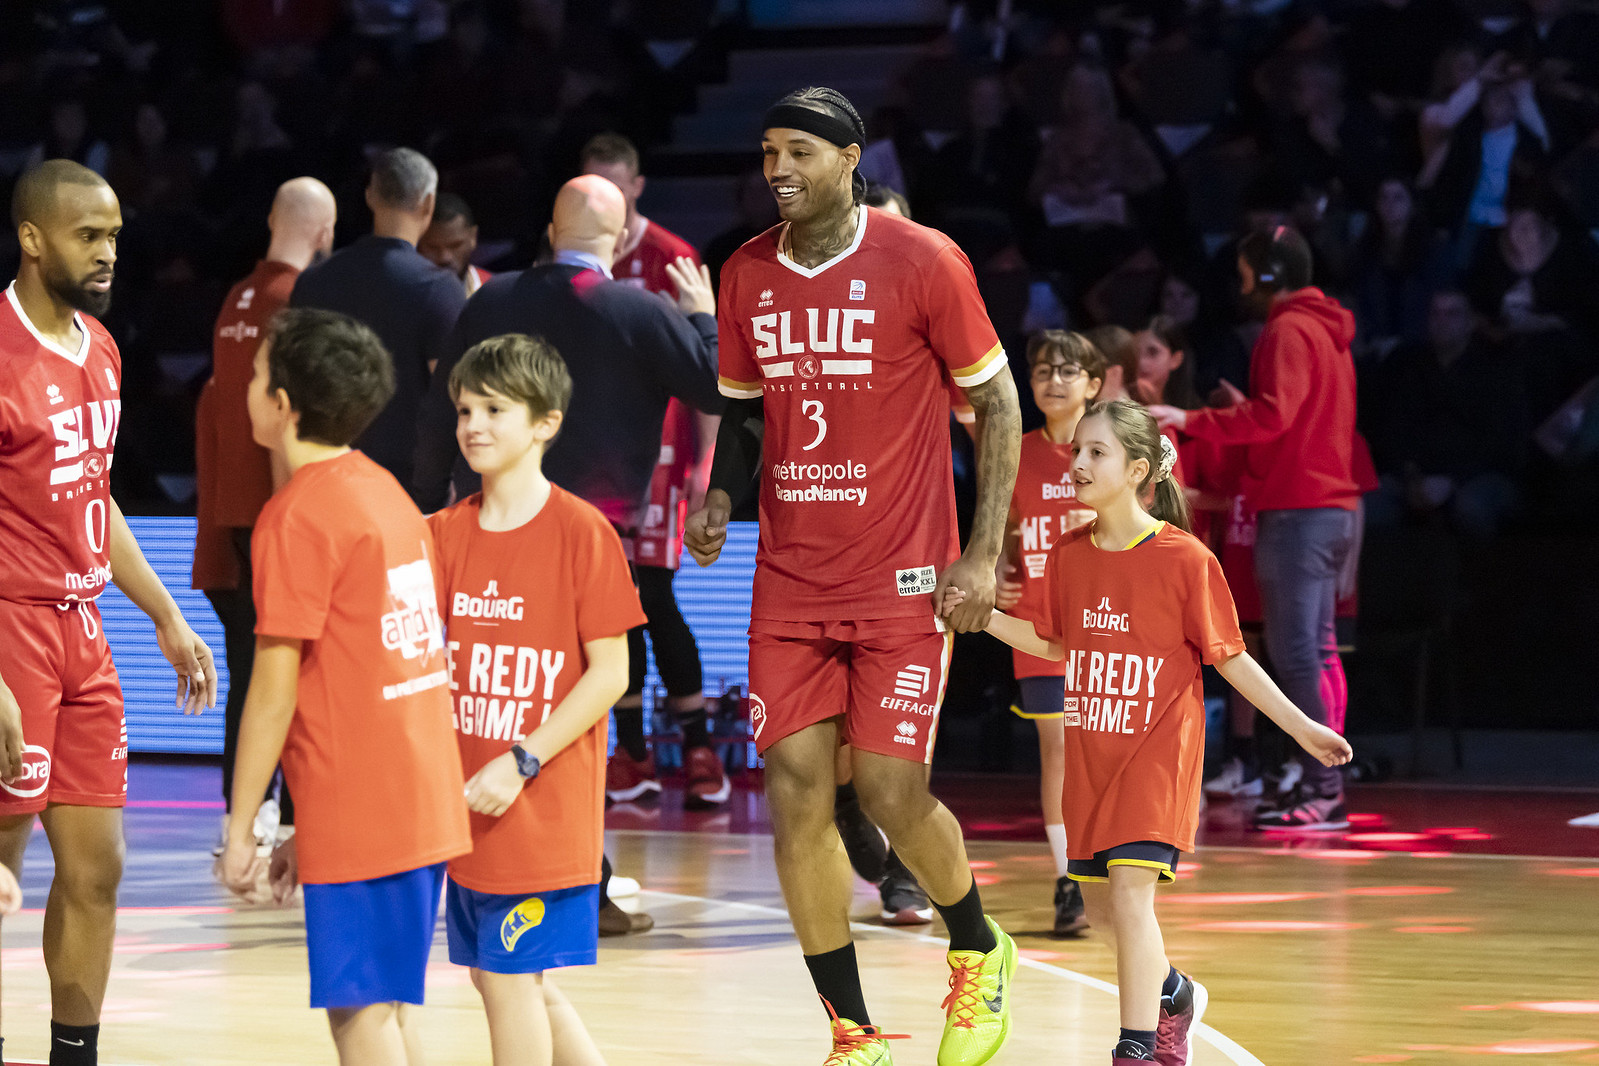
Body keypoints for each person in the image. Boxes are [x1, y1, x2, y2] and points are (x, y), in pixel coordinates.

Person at [684, 86, 1024, 1066]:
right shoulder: (745, 273)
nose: (776, 170)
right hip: (790, 579)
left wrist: (984, 553)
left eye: (796, 151)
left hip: (903, 575)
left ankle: (977, 946)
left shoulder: (923, 259)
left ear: (848, 157)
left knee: (887, 789)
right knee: (794, 793)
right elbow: (745, 411)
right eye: (765, 152)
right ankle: (852, 1030)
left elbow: (997, 404)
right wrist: (718, 497)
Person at [957, 398, 1352, 1066]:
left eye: (1095, 452)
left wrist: (1302, 726)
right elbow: (1052, 645)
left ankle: (1135, 1049)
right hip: (1092, 756)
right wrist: (982, 615)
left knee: (1131, 898)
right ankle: (1173, 995)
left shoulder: (1184, 559)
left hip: (1155, 756)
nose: (1077, 462)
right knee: (1104, 911)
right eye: (1076, 450)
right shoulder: (1069, 554)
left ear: (1137, 468)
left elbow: (1230, 656)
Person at [413, 173, 723, 937]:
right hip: (592, 535)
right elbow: (719, 387)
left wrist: (426, 499)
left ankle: (555, 876)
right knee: (577, 698)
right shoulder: (638, 306)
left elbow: (435, 403)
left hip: (481, 527)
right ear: (619, 242)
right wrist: (707, 319)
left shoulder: (491, 299)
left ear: (550, 231)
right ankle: (570, 879)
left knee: (494, 701)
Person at [0, 159, 217, 1066]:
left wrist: (165, 613)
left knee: (99, 869)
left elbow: (96, 492)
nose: (109, 253)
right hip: (8, 628)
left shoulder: (103, 347)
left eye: (116, 237)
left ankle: (72, 1055)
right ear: (32, 237)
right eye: (90, 236)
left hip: (83, 632)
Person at [218, 308, 471, 1065]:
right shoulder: (382, 491)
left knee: (358, 1016)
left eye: (259, 375)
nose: (250, 387)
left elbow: (273, 686)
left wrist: (241, 829)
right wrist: (308, 826)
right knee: (386, 1006)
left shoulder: (295, 516)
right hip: (414, 793)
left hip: (368, 806)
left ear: (284, 405)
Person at [429, 334, 641, 1066]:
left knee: (512, 980)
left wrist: (520, 760)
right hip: (462, 816)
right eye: (463, 409)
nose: (473, 425)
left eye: (494, 408)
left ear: (546, 422)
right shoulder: (440, 535)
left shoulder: (583, 533)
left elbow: (610, 673)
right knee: (501, 978)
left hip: (538, 808)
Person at [1151, 225, 1360, 832]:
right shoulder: (1327, 327)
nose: (1239, 283)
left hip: (1298, 510)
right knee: (1316, 652)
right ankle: (1328, 783)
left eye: (1245, 271)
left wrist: (1193, 417)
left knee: (1297, 656)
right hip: (1327, 509)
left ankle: (1323, 791)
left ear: (1266, 273)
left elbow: (1273, 417)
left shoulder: (1289, 328)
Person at [580, 132, 730, 812]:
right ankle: (632, 751)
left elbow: (709, 374)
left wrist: (704, 471)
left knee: (655, 596)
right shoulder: (575, 258)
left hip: (663, 462)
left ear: (636, 188)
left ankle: (700, 749)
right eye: (593, 187)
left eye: (614, 186)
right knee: (613, 608)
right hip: (594, 460)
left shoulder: (671, 258)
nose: (604, 199)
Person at [195, 176, 336, 854]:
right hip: (277, 514)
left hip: (233, 514)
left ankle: (248, 814)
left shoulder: (236, 299)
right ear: (325, 233)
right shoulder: (297, 298)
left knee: (251, 666)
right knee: (281, 670)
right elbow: (283, 420)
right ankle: (277, 817)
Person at [993, 330, 1105, 938]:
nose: (1054, 381)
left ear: (1094, 383)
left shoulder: (1112, 443)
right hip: (1042, 628)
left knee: (1106, 754)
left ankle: (1117, 867)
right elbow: (1006, 531)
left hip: (1110, 628)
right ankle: (1070, 878)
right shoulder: (1015, 449)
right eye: (1042, 371)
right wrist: (999, 576)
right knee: (1058, 752)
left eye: (1068, 371)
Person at [290, 147, 465, 501]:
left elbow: (294, 390)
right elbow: (455, 398)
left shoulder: (313, 281)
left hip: (324, 486)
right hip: (408, 493)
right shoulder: (439, 288)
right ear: (428, 204)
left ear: (370, 195)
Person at [418, 192, 492, 296]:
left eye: (455, 245)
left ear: (473, 237)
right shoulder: (401, 297)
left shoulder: (495, 292)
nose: (444, 258)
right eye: (432, 247)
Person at [1133, 316, 1203, 411]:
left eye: (1153, 352)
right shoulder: (1119, 404)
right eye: (1135, 352)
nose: (1141, 362)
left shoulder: (1190, 413)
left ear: (1175, 359)